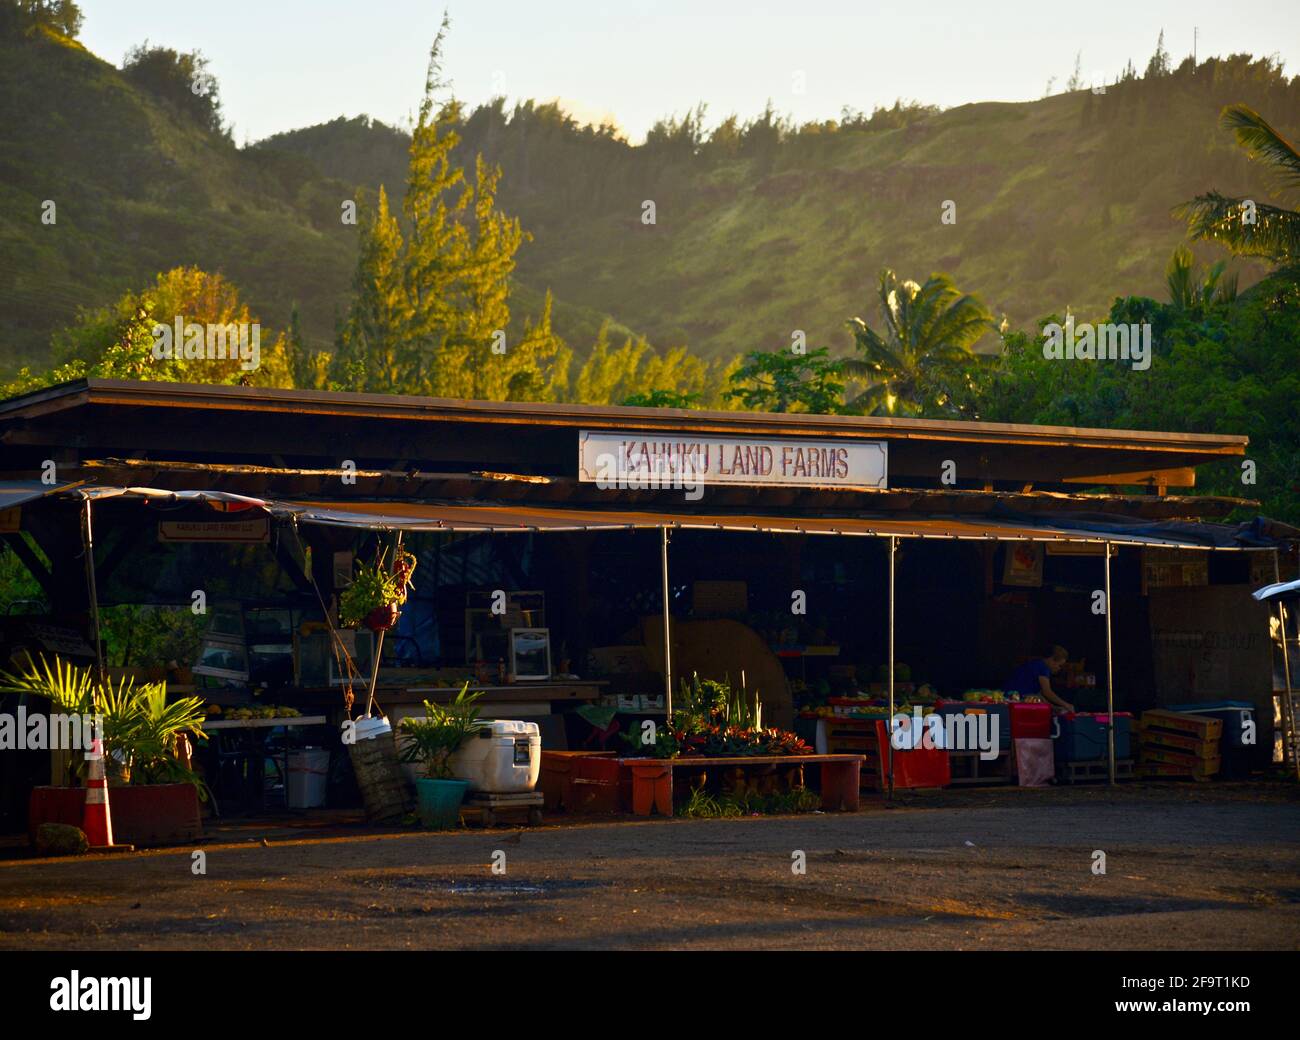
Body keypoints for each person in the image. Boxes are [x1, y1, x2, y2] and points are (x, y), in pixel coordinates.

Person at [1005, 645, 1074, 713]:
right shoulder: (1043, 668)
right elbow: (1047, 692)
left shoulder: (1036, 664)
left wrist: (1054, 708)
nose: (1059, 669)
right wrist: (1066, 705)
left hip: (1008, 697)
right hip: (1013, 699)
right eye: (1059, 665)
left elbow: (1038, 694)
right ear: (1051, 659)